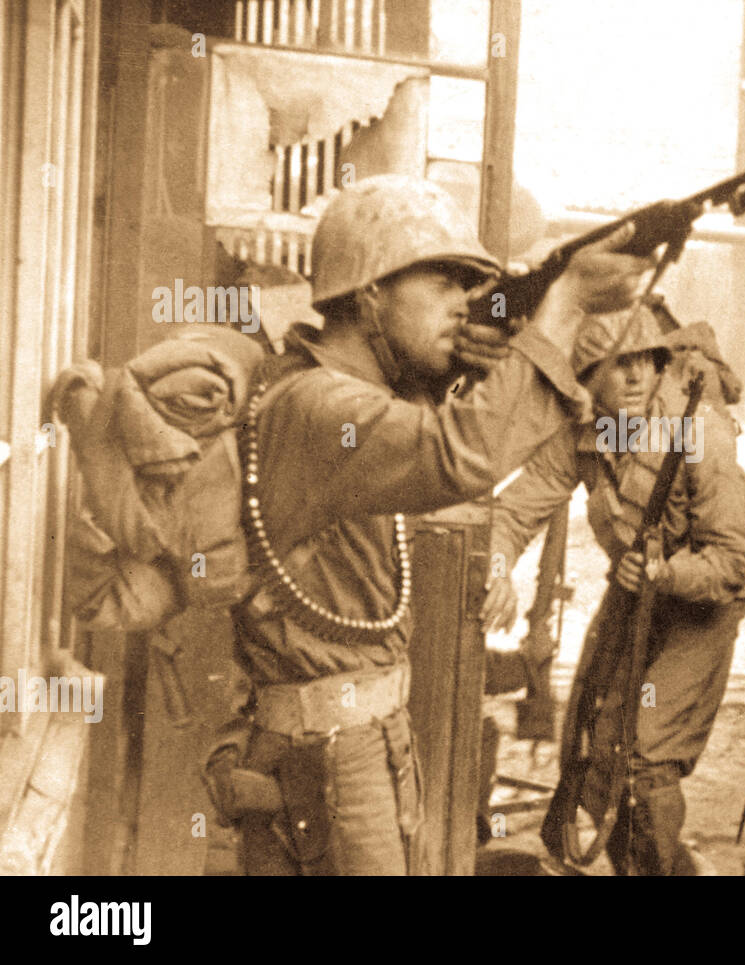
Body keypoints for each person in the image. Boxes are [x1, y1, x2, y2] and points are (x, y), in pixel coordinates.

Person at [211, 174, 653, 875]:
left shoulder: (353, 394)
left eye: (471, 285)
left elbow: (433, 436)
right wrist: (565, 301)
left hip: (360, 740)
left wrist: (462, 374)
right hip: (328, 754)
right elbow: (460, 453)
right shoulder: (321, 409)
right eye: (443, 282)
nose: (465, 303)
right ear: (370, 294)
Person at [480, 304, 745, 875]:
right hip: (636, 592)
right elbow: (515, 510)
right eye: (618, 365)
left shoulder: (697, 432)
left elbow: (738, 559)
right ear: (588, 379)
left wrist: (669, 574)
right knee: (588, 739)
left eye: (645, 361)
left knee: (645, 756)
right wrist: (496, 567)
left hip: (703, 604)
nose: (635, 377)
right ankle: (655, 864)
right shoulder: (582, 435)